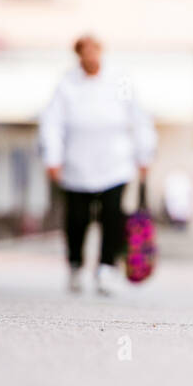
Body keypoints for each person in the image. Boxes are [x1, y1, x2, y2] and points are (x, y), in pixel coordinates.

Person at [40, 35, 156, 295]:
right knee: (77, 219)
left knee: (112, 216)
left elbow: (138, 117)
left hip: (114, 163)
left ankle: (107, 266)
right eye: (85, 52)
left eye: (94, 51)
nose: (90, 57)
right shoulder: (67, 84)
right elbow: (52, 121)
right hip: (76, 163)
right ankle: (76, 265)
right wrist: (52, 156)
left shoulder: (120, 80)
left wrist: (144, 152)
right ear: (78, 55)